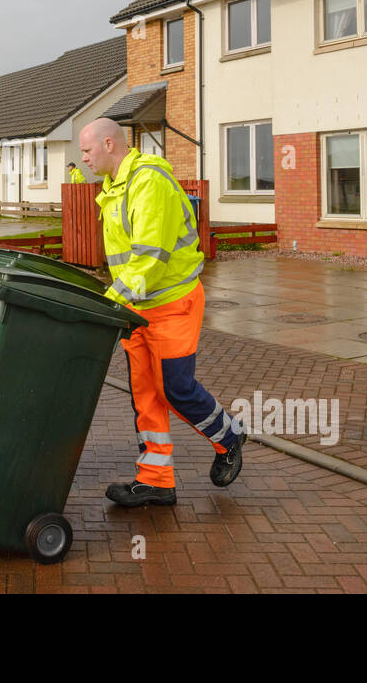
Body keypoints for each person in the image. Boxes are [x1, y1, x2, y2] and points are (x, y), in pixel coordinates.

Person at [78, 117, 245, 507]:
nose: (83, 158)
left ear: (108, 144)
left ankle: (229, 436)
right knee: (146, 395)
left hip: (172, 304)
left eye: (87, 150)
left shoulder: (149, 182)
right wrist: (120, 302)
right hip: (138, 307)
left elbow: (150, 257)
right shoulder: (115, 185)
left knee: (176, 389)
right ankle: (155, 480)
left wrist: (109, 302)